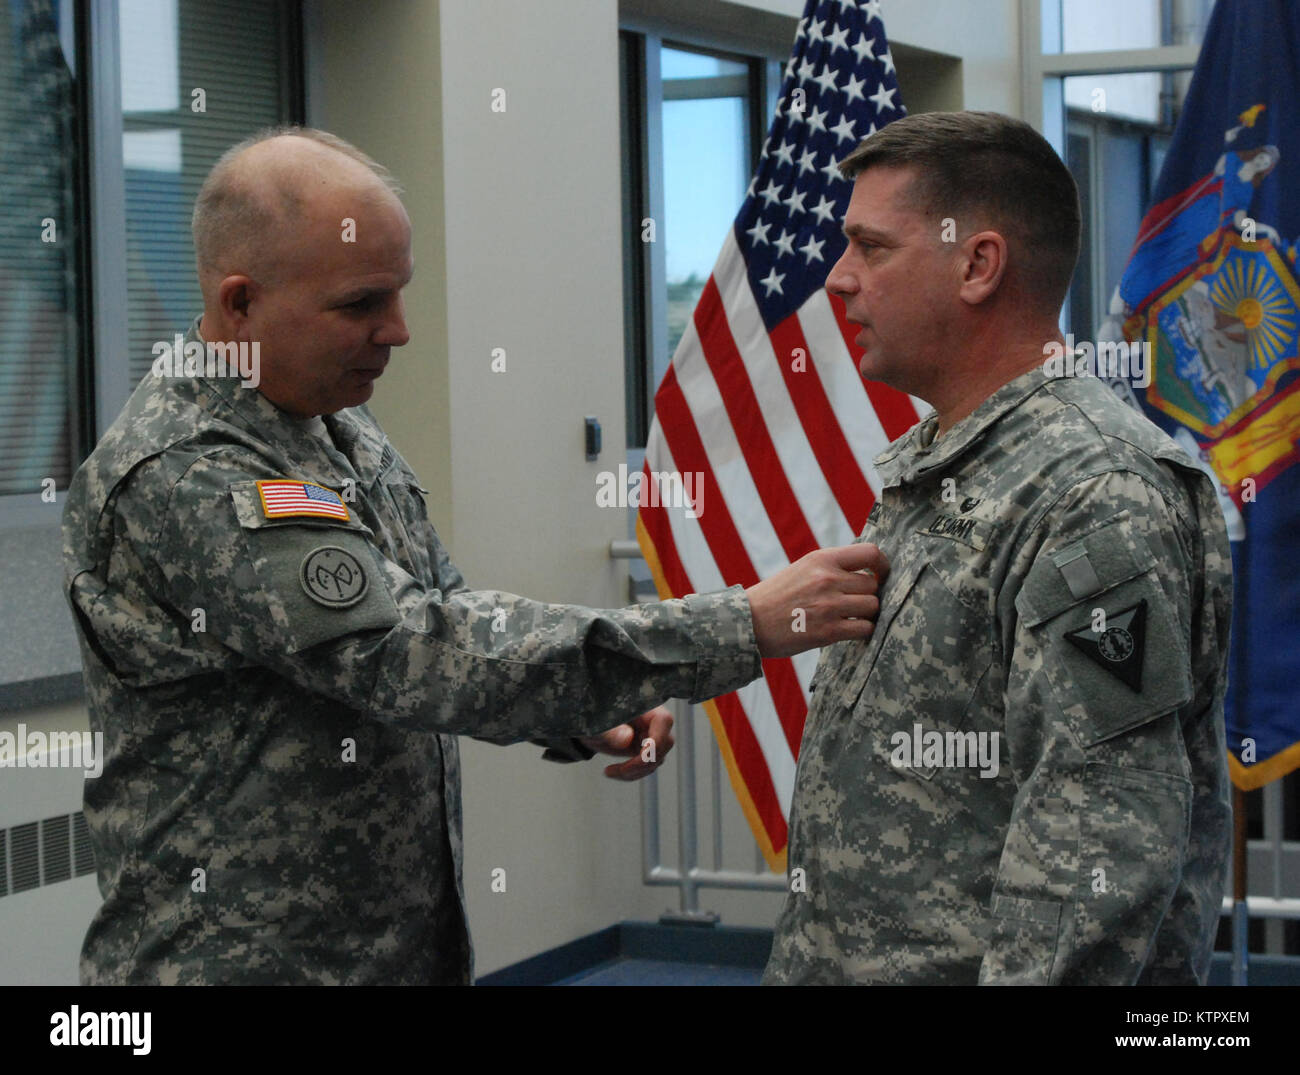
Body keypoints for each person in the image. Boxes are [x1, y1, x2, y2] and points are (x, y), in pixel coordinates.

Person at [62, 127, 889, 986]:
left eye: (399, 293)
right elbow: (411, 650)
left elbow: (438, 598)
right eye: (361, 304)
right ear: (240, 304)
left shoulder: (326, 418)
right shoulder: (188, 468)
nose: (400, 331)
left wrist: (575, 708)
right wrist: (737, 621)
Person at [763, 111, 1233, 985]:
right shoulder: (951, 458)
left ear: (978, 264)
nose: (838, 279)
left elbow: (1098, 839)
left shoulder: (1094, 492)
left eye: (871, 247)